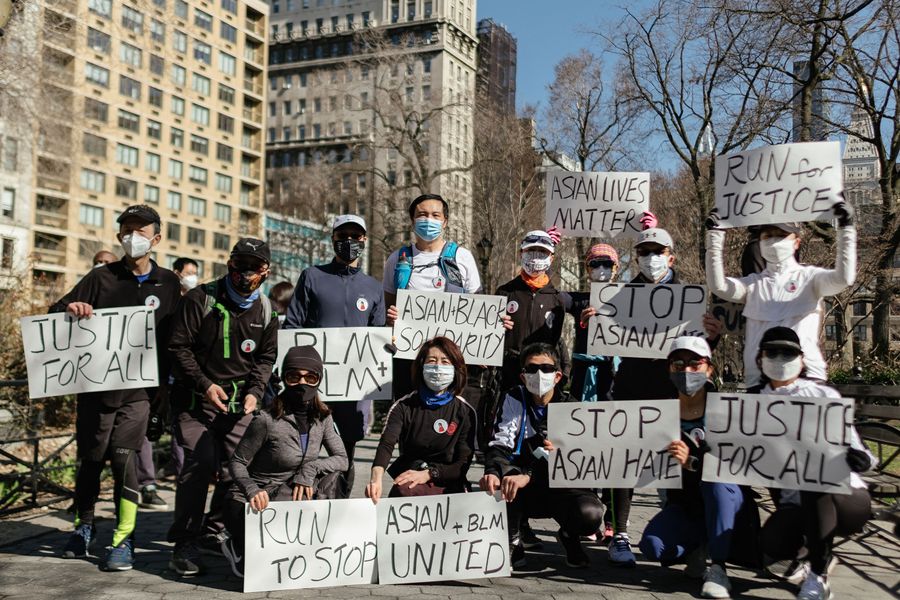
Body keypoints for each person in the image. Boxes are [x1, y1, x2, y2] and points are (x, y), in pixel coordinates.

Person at [52, 205, 182, 571]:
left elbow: (179, 339)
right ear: (118, 236)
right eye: (127, 229)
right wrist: (71, 308)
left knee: (125, 460)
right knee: (90, 460)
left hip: (140, 395)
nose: (133, 236)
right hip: (95, 391)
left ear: (156, 239)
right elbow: (55, 314)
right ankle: (83, 526)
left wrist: (167, 394)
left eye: (141, 231)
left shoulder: (169, 284)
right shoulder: (100, 278)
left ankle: (124, 539)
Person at [603, 227, 723, 567]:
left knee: (675, 462)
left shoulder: (690, 298)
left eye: (658, 251)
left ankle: (679, 527)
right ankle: (620, 534)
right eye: (644, 252)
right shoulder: (620, 295)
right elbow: (606, 335)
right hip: (629, 388)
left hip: (673, 393)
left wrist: (712, 338)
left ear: (671, 256)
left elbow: (699, 352)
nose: (651, 258)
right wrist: (595, 324)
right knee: (622, 461)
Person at [166, 238, 279, 576]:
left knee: (238, 471)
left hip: (239, 406)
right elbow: (178, 347)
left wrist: (255, 392)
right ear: (229, 263)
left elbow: (265, 357)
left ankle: (214, 532)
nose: (245, 273)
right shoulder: (200, 299)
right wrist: (205, 384)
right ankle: (183, 542)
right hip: (197, 403)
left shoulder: (267, 310)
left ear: (266, 271)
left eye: (254, 267)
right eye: (239, 264)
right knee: (198, 467)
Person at [751, 327, 873, 600]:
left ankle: (819, 575)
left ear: (802, 359)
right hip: (794, 504)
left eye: (788, 352)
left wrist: (855, 457)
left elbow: (858, 451)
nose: (780, 358)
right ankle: (815, 553)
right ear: (760, 358)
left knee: (814, 477)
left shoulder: (822, 396)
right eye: (773, 352)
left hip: (844, 498)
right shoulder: (751, 405)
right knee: (772, 543)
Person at [639, 336, 760, 599]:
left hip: (727, 500)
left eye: (695, 363)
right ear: (669, 368)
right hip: (685, 505)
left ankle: (719, 567)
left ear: (709, 369)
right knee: (653, 547)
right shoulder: (657, 412)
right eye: (678, 363)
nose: (686, 370)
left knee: (715, 483)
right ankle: (699, 544)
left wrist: (692, 462)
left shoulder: (730, 411)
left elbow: (738, 464)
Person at [220, 346, 348, 577]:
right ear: (284, 379)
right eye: (293, 377)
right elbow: (237, 462)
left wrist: (310, 469)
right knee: (259, 571)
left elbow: (342, 460)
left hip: (296, 493)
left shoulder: (323, 417)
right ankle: (235, 544)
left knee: (335, 478)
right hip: (262, 497)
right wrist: (251, 490)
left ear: (319, 380)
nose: (302, 383)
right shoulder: (265, 420)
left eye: (310, 377)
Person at [283, 214, 385, 499]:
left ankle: (338, 507)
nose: (349, 242)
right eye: (343, 237)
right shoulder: (312, 276)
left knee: (345, 452)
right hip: (314, 388)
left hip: (354, 391)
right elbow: (293, 326)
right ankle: (301, 507)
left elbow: (376, 338)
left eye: (355, 236)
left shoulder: (374, 288)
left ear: (364, 240)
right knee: (305, 449)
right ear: (333, 240)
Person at [480, 343, 604, 570]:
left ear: (557, 376)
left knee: (590, 514)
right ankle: (513, 538)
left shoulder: (572, 408)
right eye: (532, 369)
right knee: (499, 476)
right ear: (522, 375)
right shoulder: (513, 399)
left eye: (546, 368)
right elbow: (499, 444)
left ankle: (569, 535)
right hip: (523, 491)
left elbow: (585, 462)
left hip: (562, 490)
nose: (539, 374)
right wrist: (492, 471)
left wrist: (540, 467)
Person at [705, 201, 856, 385]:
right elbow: (718, 285)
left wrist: (846, 229)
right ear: (759, 243)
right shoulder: (753, 284)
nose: (774, 241)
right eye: (768, 236)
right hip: (759, 379)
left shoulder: (810, 278)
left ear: (797, 242)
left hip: (806, 376)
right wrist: (715, 235)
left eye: (782, 235)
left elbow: (843, 279)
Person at [382, 194, 483, 400]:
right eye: (422, 214)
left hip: (450, 360)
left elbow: (478, 309)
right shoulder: (397, 259)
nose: (429, 220)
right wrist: (390, 319)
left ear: (444, 221)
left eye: (435, 215)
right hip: (409, 361)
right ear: (412, 221)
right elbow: (387, 308)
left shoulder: (462, 257)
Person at [366, 337, 476, 502]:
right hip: (410, 481)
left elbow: (462, 463)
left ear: (456, 369)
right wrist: (376, 479)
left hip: (449, 481)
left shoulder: (465, 411)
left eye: (445, 362)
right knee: (404, 492)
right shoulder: (403, 406)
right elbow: (387, 444)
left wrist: (430, 474)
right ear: (421, 366)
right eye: (432, 360)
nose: (438, 367)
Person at [495, 230, 571, 392]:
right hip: (508, 374)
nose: (536, 256)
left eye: (543, 252)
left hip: (540, 374)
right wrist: (495, 325)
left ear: (551, 258)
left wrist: (563, 371)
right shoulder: (505, 292)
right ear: (521, 253)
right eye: (531, 251)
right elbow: (490, 336)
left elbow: (556, 340)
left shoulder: (556, 299)